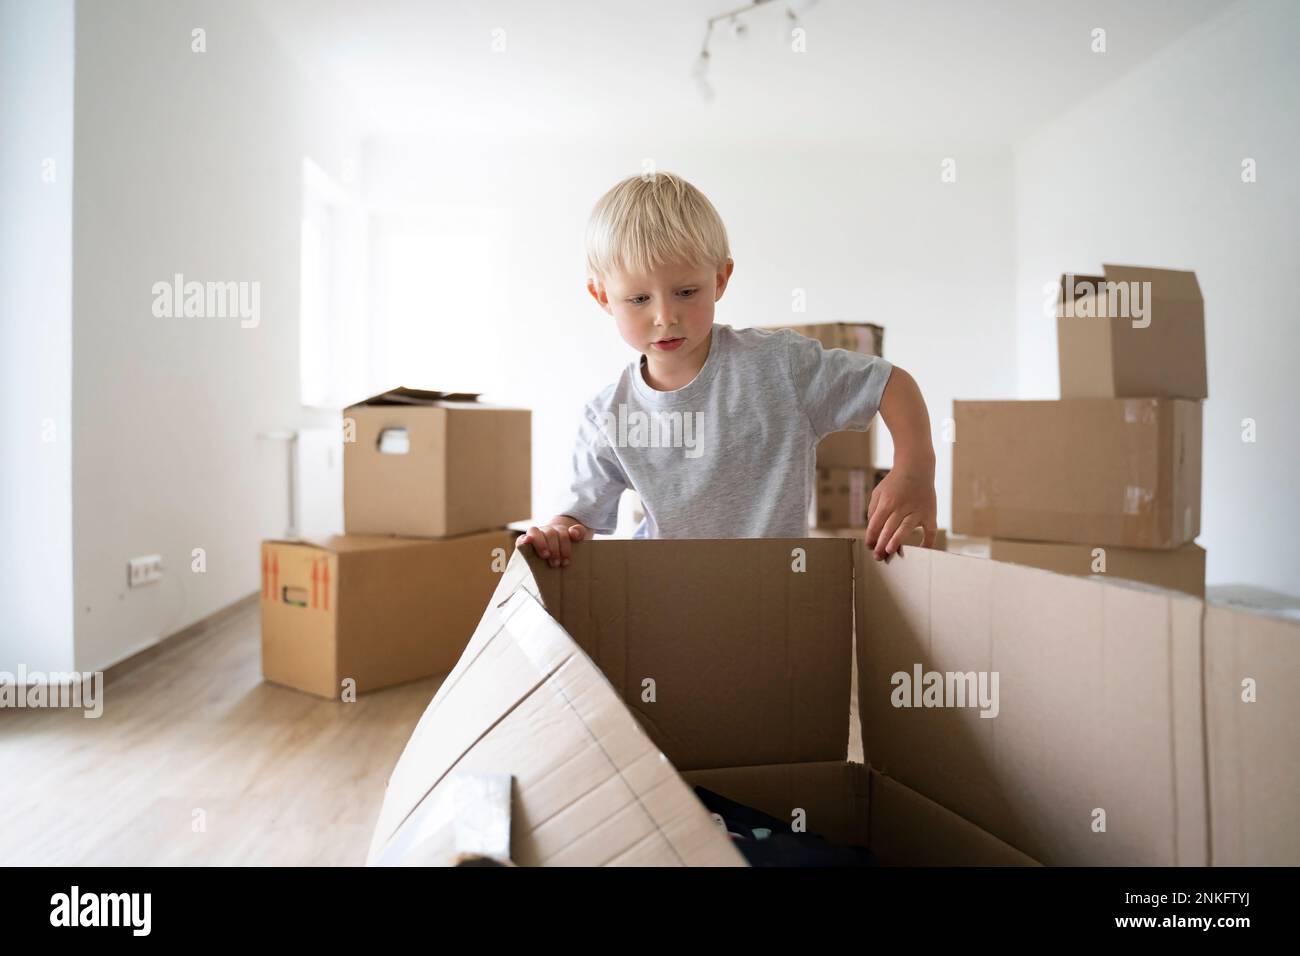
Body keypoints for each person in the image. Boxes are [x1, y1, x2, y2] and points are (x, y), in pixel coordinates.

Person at [518, 171, 937, 567]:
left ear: (720, 279)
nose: (665, 316)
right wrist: (555, 534)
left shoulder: (780, 367)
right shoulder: (607, 415)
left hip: (777, 592)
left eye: (686, 292)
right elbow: (576, 520)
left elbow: (890, 383)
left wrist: (914, 470)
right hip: (664, 602)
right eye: (639, 300)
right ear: (603, 296)